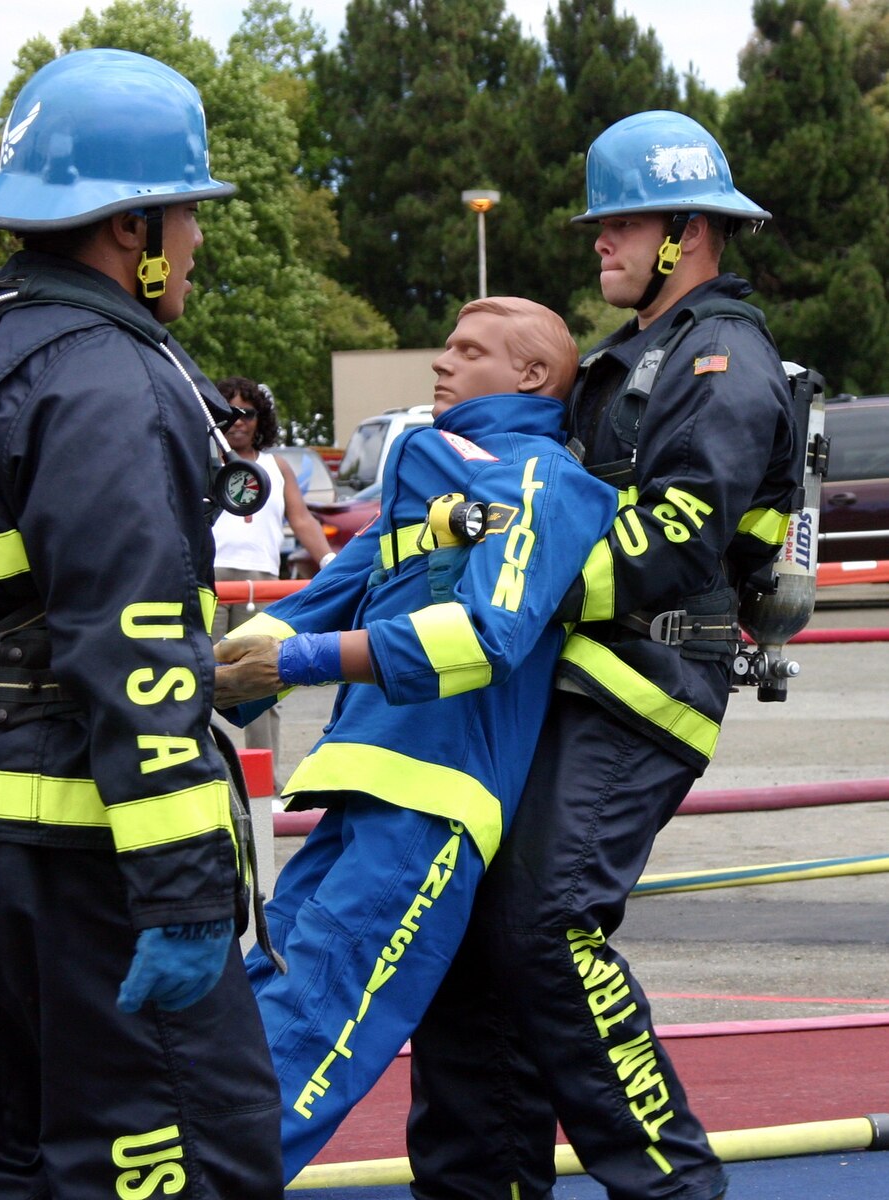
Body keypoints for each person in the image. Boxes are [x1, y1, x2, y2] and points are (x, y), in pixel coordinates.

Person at [0, 50, 282, 1199]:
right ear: (129, 228)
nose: (194, 243)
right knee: (191, 1156)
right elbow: (127, 632)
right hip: (75, 850)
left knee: (7, 1159)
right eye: (184, 216)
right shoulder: (107, 376)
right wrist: (186, 893)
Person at [407, 112, 799, 1200]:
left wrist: (508, 591)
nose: (597, 241)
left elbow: (675, 537)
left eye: (618, 221)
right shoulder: (637, 359)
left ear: (685, 230)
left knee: (541, 927)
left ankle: (668, 1187)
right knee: (466, 935)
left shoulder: (721, 359)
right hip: (562, 690)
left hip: (639, 694)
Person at [213, 296, 620, 1181]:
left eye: (467, 350)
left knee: (309, 1032)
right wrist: (169, 680)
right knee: (259, 1010)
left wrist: (300, 663)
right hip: (361, 793)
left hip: (435, 801)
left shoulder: (545, 479)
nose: (441, 363)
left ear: (532, 376)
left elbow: (486, 634)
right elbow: (306, 613)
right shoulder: (422, 478)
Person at [212, 375, 335, 775]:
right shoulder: (204, 460)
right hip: (209, 585)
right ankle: (208, 771)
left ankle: (264, 780)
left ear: (259, 419)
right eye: (229, 413)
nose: (238, 421)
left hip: (261, 587)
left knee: (259, 684)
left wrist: (329, 561)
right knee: (201, 683)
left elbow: (301, 520)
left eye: (246, 413)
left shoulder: (276, 466)